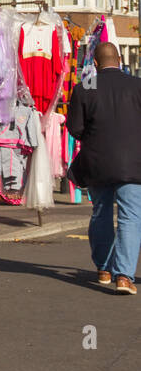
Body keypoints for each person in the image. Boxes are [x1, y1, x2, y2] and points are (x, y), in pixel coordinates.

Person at [67, 41, 141, 294]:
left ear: (95, 63)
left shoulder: (84, 88)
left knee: (100, 211)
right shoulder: (137, 85)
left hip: (97, 162)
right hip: (134, 164)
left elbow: (75, 129)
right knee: (130, 217)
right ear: (120, 60)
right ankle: (124, 276)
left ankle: (104, 269)